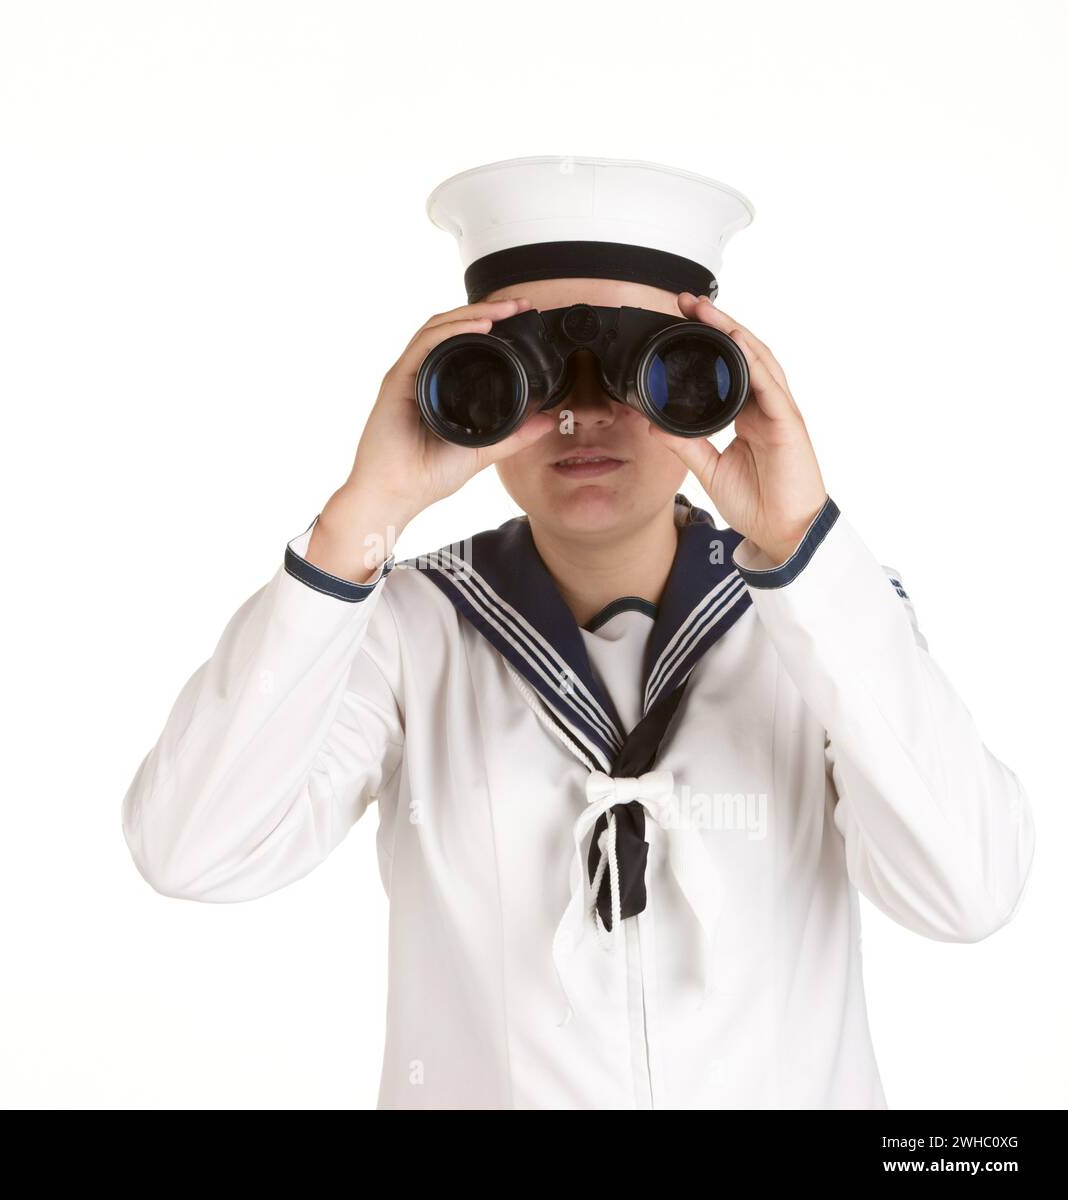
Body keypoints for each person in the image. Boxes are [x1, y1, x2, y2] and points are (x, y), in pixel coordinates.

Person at [120, 156, 1035, 1109]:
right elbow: (191, 851)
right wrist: (361, 522)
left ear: (716, 381)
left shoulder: (825, 617)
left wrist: (804, 550)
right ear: (467, 382)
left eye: (646, 370)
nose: (585, 412)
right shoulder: (403, 629)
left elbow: (968, 894)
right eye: (534, 370)